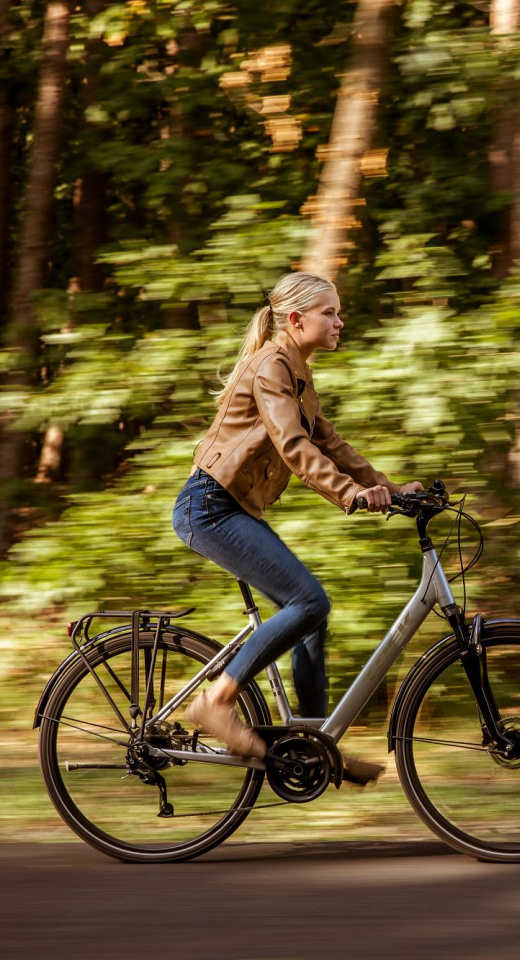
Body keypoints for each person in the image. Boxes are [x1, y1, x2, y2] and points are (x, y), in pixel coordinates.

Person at [171, 271, 421, 783]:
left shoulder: (298, 374)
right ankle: (217, 701)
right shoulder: (271, 366)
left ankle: (314, 743)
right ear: (296, 318)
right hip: (209, 509)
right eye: (330, 312)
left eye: (338, 312)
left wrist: (393, 490)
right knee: (310, 602)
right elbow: (294, 446)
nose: (340, 321)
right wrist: (351, 494)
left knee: (310, 614)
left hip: (232, 509)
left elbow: (332, 445)